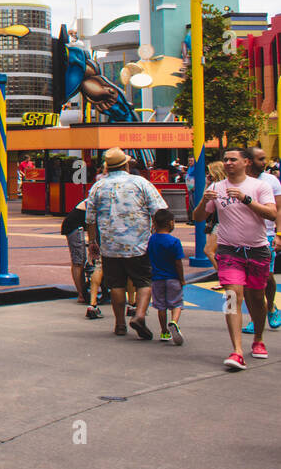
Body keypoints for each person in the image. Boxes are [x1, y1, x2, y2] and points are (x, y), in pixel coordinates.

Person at [193, 146, 277, 368]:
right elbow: (198, 216)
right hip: (229, 251)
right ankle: (236, 350)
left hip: (257, 249)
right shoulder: (216, 187)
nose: (228, 163)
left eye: (233, 159)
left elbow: (272, 213)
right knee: (232, 295)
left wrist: (246, 199)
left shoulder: (260, 186)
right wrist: (204, 201)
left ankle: (258, 339)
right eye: (226, 160)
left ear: (246, 162)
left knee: (257, 299)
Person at [85, 147, 167, 340]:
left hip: (110, 245)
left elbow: (90, 218)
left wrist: (93, 242)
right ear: (125, 164)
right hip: (139, 243)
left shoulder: (98, 186)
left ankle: (120, 324)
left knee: (116, 284)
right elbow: (160, 209)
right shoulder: (140, 182)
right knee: (144, 281)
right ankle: (139, 315)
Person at [243, 146, 281, 333]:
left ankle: (271, 307)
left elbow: (279, 209)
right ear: (249, 161)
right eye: (260, 159)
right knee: (248, 282)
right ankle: (255, 317)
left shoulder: (271, 180)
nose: (265, 162)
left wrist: (279, 234)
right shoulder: (240, 180)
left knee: (267, 276)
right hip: (243, 237)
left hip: (266, 235)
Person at [147, 209, 185, 345]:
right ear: (170, 223)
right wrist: (182, 279)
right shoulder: (174, 242)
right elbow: (178, 263)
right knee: (177, 303)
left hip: (157, 278)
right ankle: (174, 322)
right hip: (173, 278)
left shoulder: (152, 240)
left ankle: (164, 331)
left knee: (161, 306)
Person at [61, 200, 89, 304]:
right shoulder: (97, 197)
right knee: (78, 261)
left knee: (81, 260)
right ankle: (81, 294)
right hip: (74, 226)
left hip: (78, 225)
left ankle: (83, 292)